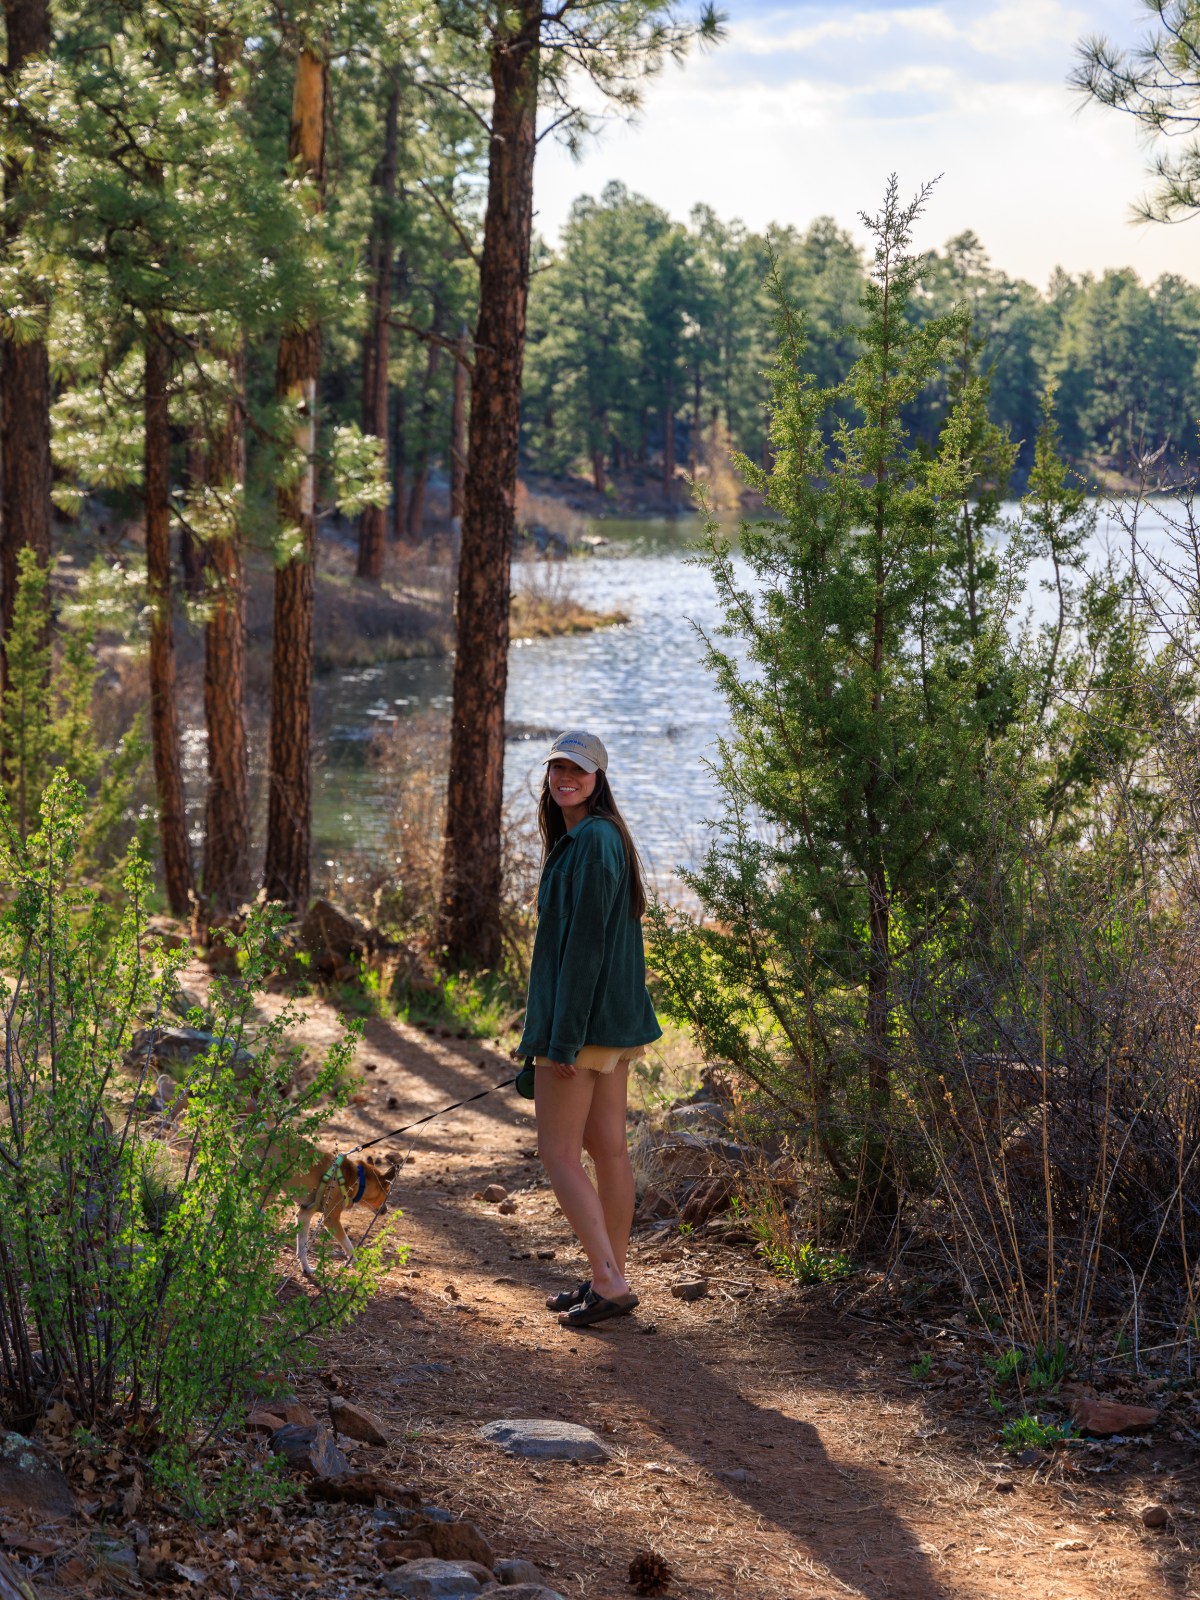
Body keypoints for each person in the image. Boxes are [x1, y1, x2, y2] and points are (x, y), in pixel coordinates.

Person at [518, 730, 662, 1329]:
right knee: (606, 1149)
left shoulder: (595, 841)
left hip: (586, 1028)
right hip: (609, 1024)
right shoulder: (588, 839)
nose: (564, 778)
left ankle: (606, 1277)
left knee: (558, 1153)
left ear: (598, 779)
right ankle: (613, 1277)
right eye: (556, 769)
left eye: (576, 770)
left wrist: (563, 1038)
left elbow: (586, 949)